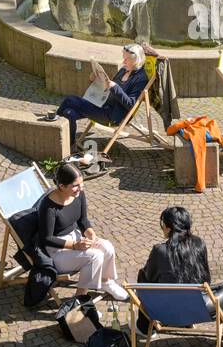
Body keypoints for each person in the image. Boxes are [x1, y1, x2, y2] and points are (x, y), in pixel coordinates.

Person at [38, 162, 126, 301]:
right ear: (62, 186)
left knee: (107, 247)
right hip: (57, 250)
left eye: (81, 184)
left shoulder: (79, 194)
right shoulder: (48, 207)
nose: (80, 189)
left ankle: (106, 282)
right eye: (75, 185)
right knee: (95, 256)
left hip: (76, 238)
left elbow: (83, 220)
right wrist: (74, 245)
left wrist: (90, 233)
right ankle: (80, 300)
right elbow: (46, 238)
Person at [55, 43, 149, 147]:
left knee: (70, 100)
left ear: (136, 60)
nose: (123, 61)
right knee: (69, 113)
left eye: (127, 59)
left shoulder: (141, 79)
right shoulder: (123, 70)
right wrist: (94, 80)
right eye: (124, 58)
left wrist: (115, 87)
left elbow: (131, 105)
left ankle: (52, 128)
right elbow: (107, 89)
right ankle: (69, 145)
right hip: (101, 104)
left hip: (111, 115)